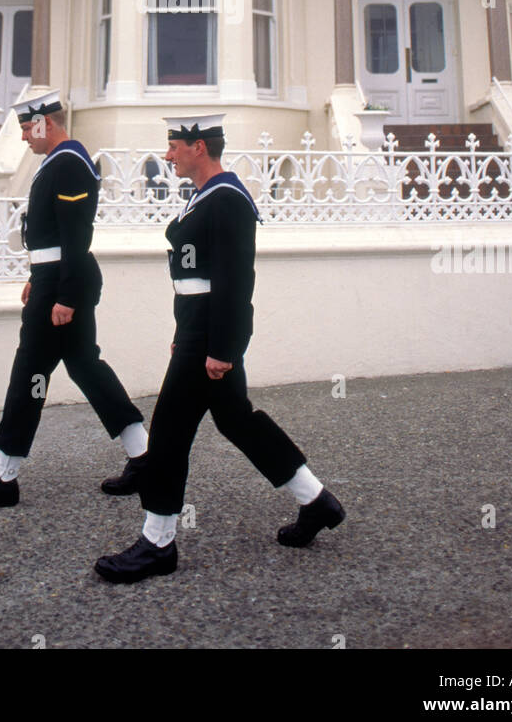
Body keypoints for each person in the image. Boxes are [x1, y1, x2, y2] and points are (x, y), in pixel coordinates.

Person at [94, 114, 345, 583]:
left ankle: (157, 543)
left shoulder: (227, 200)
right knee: (238, 423)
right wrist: (183, 330)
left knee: (167, 433)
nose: (167, 155)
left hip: (212, 339)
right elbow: (195, 281)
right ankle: (316, 501)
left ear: (199, 147)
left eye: (173, 146)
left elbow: (234, 283)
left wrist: (223, 349)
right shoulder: (206, 197)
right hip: (199, 332)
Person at [0, 90, 147, 510]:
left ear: (46, 123)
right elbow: (54, 236)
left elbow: (76, 236)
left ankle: (3, 477)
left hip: (63, 286)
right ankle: (144, 457)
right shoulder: (58, 163)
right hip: (53, 280)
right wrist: (36, 276)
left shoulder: (70, 162)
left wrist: (65, 295)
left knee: (29, 375)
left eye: (26, 128)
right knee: (86, 368)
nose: (23, 139)